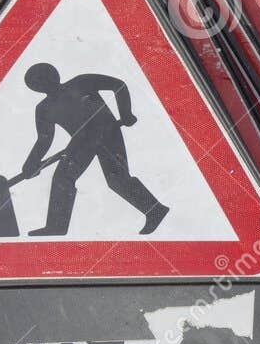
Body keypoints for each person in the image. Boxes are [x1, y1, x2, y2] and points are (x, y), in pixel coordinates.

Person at [15, 63, 169, 236]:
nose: (46, 82)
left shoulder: (81, 82)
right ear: (35, 88)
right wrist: (31, 162)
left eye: (46, 77)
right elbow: (44, 139)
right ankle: (56, 227)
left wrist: (125, 113)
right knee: (62, 178)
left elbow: (118, 85)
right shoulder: (43, 109)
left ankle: (155, 211)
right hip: (81, 141)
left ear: (55, 74)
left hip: (106, 131)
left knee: (117, 179)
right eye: (39, 82)